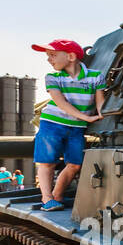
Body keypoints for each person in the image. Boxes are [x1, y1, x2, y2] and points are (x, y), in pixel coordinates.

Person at [30, 40, 105, 212]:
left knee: (74, 164)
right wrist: (86, 117)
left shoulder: (96, 76)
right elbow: (61, 102)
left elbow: (100, 98)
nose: (49, 59)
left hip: (76, 127)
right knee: (47, 162)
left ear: (71, 56)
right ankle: (47, 199)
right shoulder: (53, 78)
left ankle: (57, 195)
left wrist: (101, 112)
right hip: (52, 123)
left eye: (53, 55)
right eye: (48, 56)